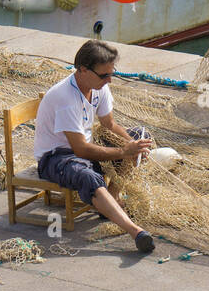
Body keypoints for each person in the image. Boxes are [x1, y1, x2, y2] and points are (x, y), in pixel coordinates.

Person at [34, 40, 156, 253]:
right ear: (82, 70)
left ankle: (113, 195)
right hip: (56, 158)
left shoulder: (98, 86)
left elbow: (109, 125)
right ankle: (135, 231)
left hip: (83, 147)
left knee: (138, 136)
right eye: (103, 75)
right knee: (88, 176)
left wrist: (132, 145)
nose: (109, 80)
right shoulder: (65, 98)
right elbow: (80, 150)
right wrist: (123, 152)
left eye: (112, 74)